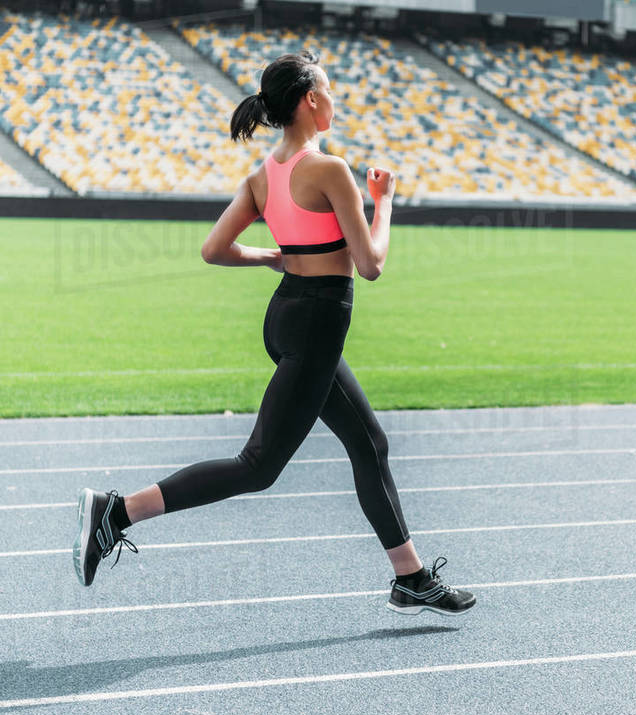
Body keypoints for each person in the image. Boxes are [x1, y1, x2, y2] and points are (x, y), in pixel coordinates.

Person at [72, 49, 475, 617]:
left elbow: (214, 250)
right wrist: (383, 202)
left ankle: (409, 578)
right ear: (310, 99)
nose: (334, 99)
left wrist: (272, 258)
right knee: (257, 467)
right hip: (317, 324)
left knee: (369, 444)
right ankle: (116, 512)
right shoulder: (330, 170)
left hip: (287, 317)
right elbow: (370, 263)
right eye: (329, 90)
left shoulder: (264, 177)